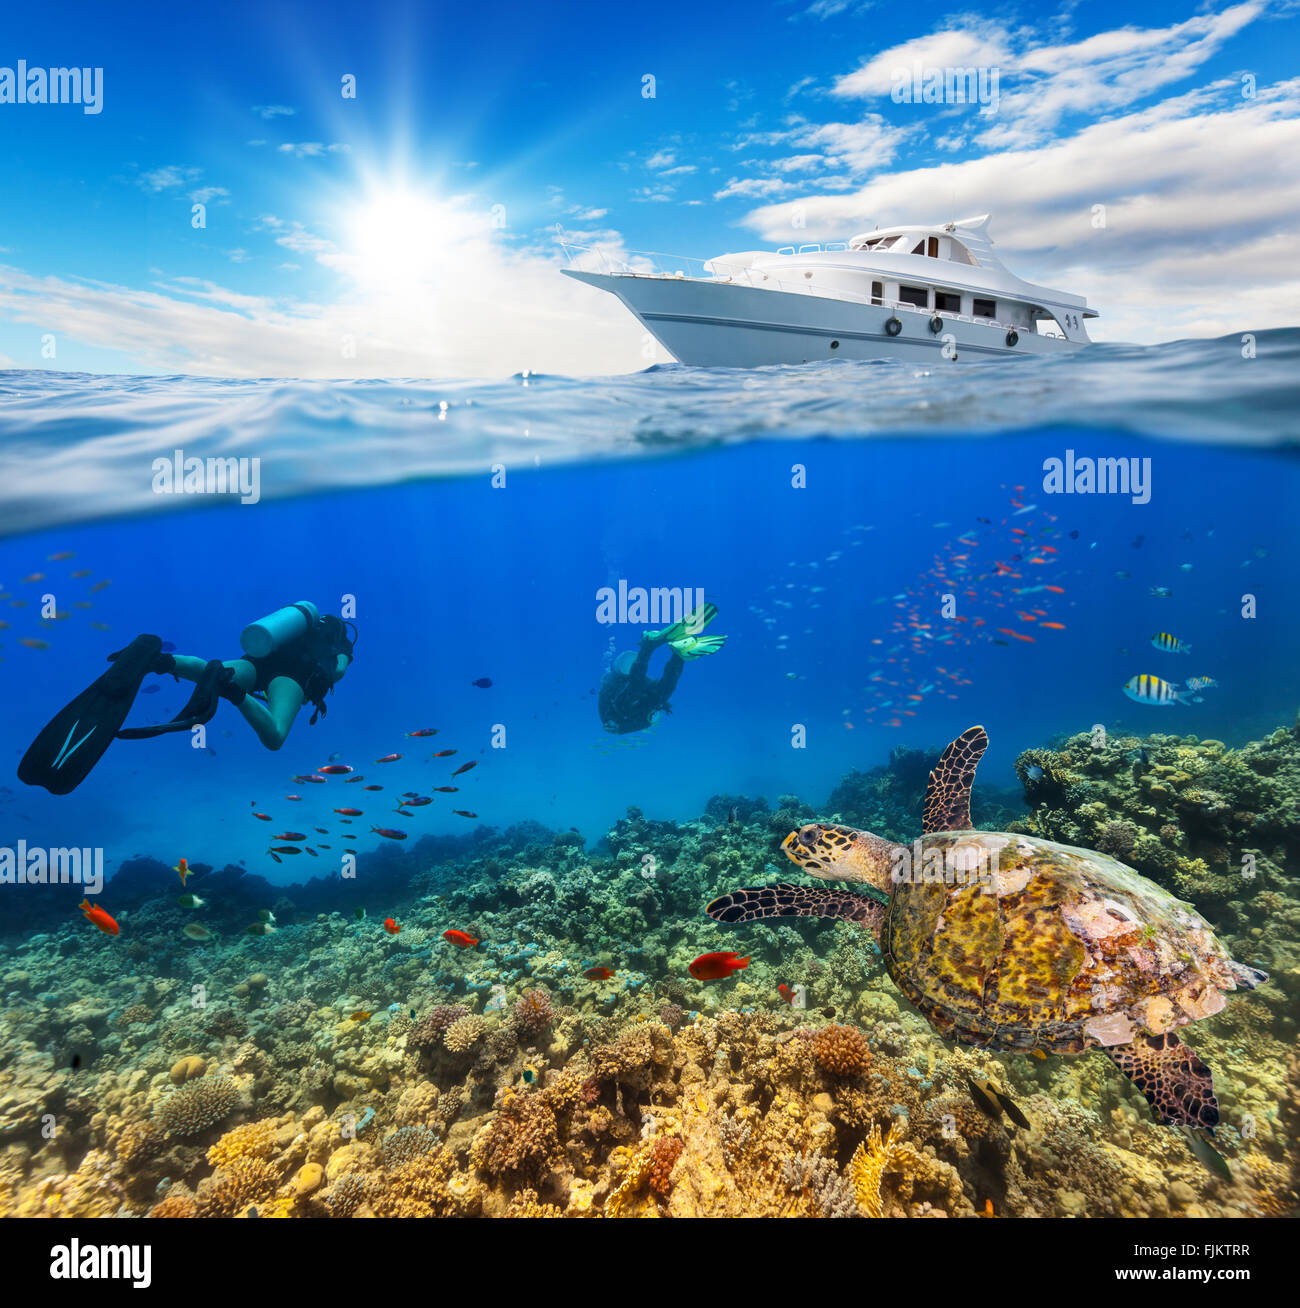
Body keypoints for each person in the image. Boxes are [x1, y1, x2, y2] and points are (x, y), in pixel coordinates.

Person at [19, 601, 355, 794]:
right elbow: (337, 672)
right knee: (275, 736)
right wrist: (336, 665)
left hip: (259, 660)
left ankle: (159, 660)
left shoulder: (294, 627)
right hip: (293, 676)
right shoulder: (338, 641)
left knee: (216, 668)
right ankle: (234, 692)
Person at [598, 602, 726, 735]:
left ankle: (647, 646)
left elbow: (639, 684)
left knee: (637, 688)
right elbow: (645, 721)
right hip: (637, 703)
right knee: (664, 691)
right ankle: (678, 656)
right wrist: (620, 728)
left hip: (634, 701)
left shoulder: (613, 689)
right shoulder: (611, 690)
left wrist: (616, 726)